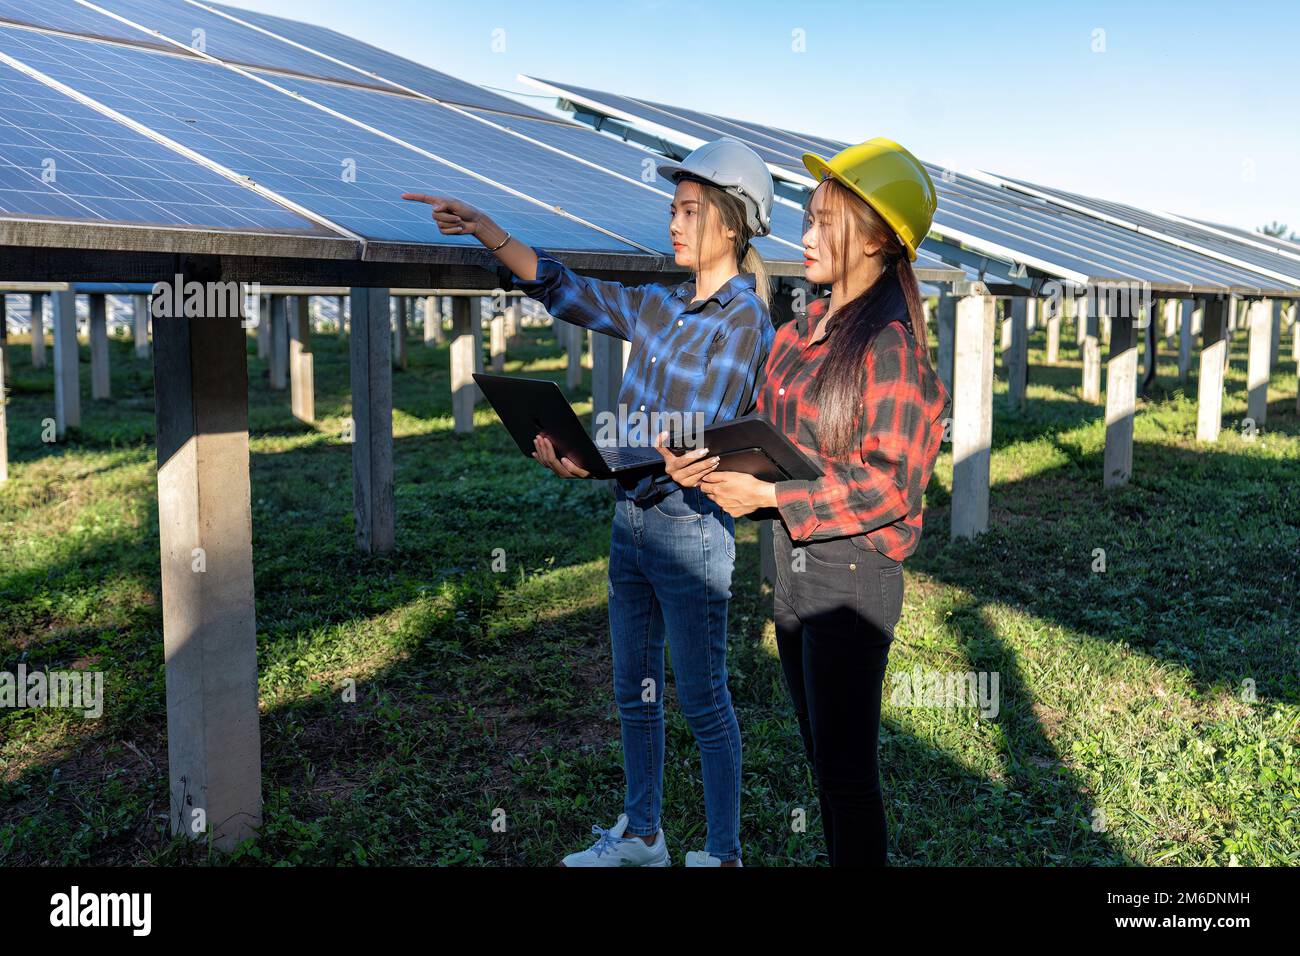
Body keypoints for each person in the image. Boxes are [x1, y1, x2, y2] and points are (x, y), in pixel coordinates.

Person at [403, 137, 775, 867]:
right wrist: (486, 229)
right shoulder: (661, 304)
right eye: (672, 208)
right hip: (632, 521)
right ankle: (642, 834)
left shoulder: (743, 320)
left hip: (691, 529)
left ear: (732, 225)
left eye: (690, 211)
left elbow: (692, 433)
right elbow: (565, 288)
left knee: (703, 702)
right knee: (635, 693)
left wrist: (595, 458)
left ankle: (724, 853)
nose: (673, 222)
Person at [658, 138, 950, 866]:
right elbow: (765, 439)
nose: (807, 236)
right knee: (824, 760)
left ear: (879, 240)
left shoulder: (891, 351)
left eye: (827, 223)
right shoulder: (795, 336)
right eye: (808, 219)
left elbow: (889, 484)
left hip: (854, 581)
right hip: (794, 570)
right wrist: (697, 456)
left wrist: (770, 494)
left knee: (848, 776)